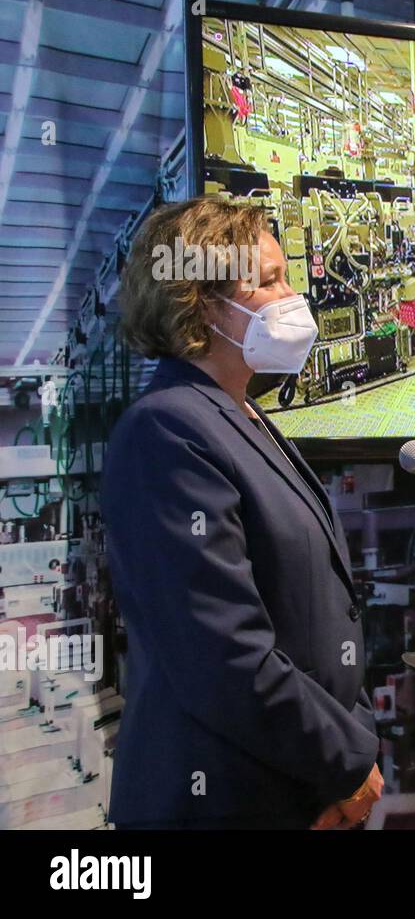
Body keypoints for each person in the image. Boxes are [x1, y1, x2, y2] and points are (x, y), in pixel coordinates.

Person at [102, 196, 383, 829]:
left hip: (298, 789)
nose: (293, 297)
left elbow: (323, 610)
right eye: (269, 281)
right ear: (200, 302)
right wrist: (343, 762)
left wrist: (353, 744)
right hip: (227, 801)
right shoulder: (169, 431)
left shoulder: (241, 415)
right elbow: (221, 653)